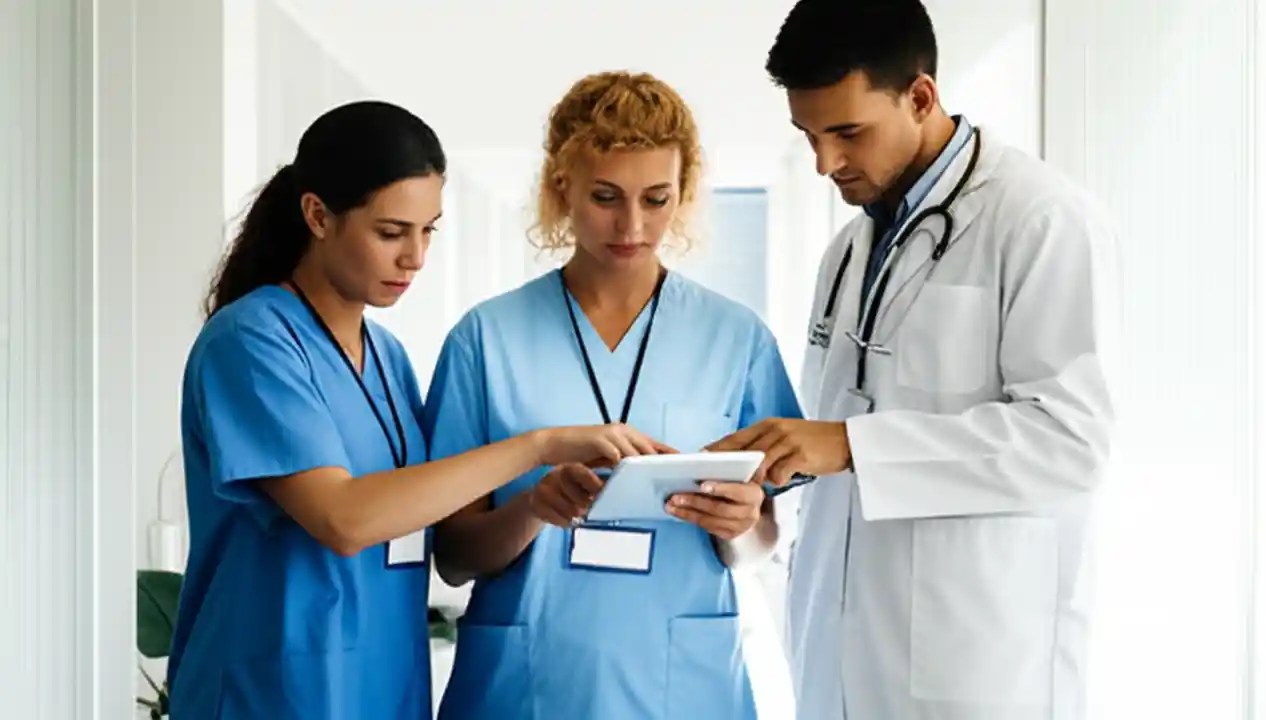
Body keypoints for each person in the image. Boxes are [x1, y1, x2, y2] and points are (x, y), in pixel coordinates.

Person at [167, 100, 665, 720]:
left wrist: (534, 503)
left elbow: (422, 526)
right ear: (317, 215)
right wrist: (539, 446)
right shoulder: (251, 341)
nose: (415, 258)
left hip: (383, 687)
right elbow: (343, 519)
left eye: (429, 230)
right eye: (390, 232)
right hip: (272, 692)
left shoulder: (388, 357)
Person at [708, 2, 1119, 718]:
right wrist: (779, 462)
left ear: (921, 96)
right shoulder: (848, 250)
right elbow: (848, 436)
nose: (825, 163)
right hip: (838, 650)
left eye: (848, 133)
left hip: (977, 665)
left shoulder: (1039, 220)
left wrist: (849, 446)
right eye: (808, 135)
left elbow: (1071, 441)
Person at [421, 71, 804, 719]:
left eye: (657, 198)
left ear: (682, 194)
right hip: (529, 681)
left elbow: (762, 537)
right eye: (606, 197)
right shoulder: (485, 340)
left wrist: (740, 525)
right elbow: (455, 558)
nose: (632, 225)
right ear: (560, 188)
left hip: (683, 682)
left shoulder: (736, 338)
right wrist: (534, 508)